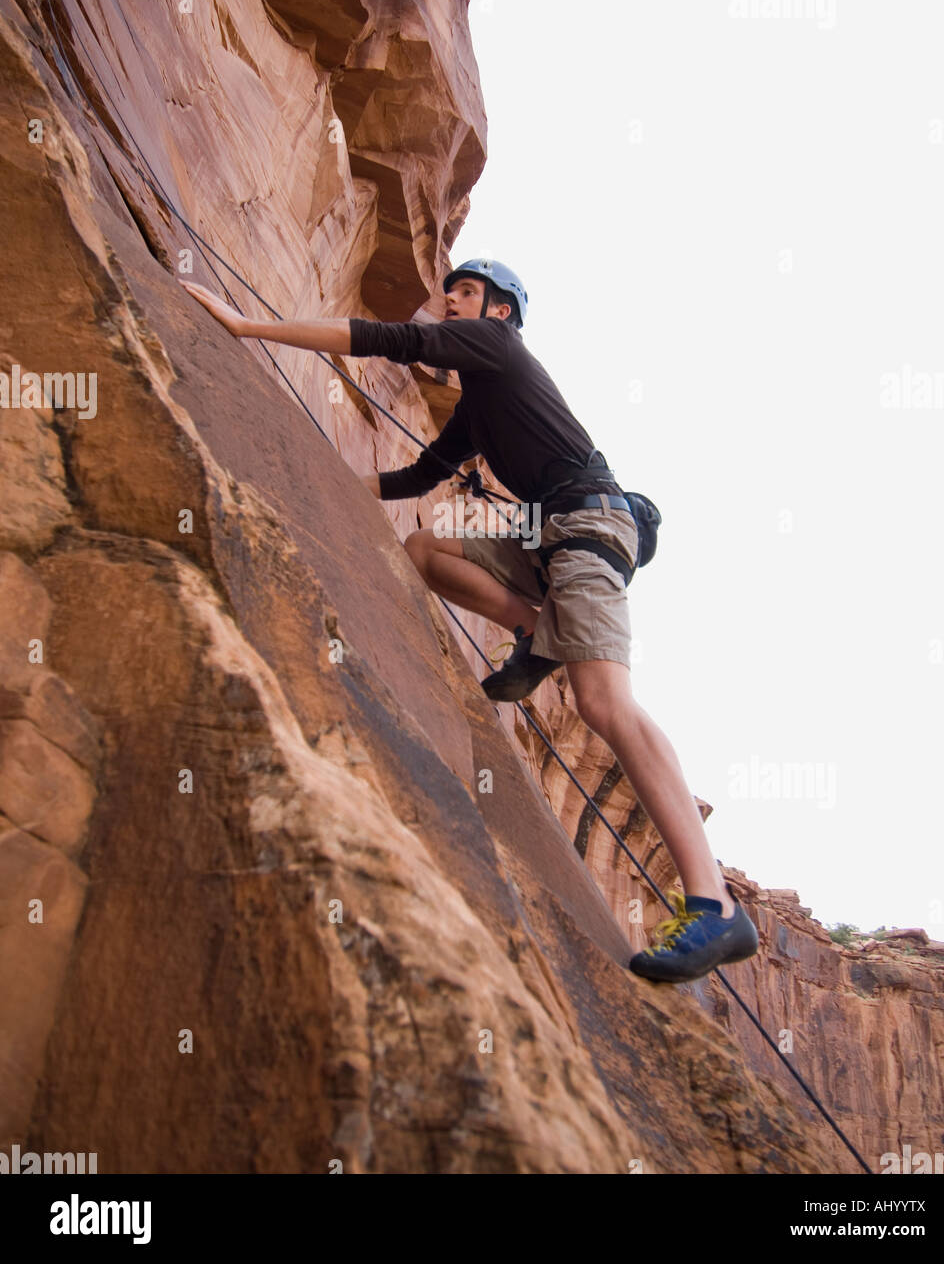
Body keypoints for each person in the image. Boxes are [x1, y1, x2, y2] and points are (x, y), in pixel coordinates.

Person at [179, 261, 758, 982]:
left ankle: (716, 906)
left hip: (587, 530)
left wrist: (243, 323)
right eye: (447, 289)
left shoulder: (498, 348)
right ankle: (531, 632)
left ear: (500, 314)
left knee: (603, 702)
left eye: (464, 292)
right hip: (546, 537)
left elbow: (379, 339)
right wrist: (303, 469)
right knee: (427, 549)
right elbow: (417, 480)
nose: (447, 300)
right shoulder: (477, 406)